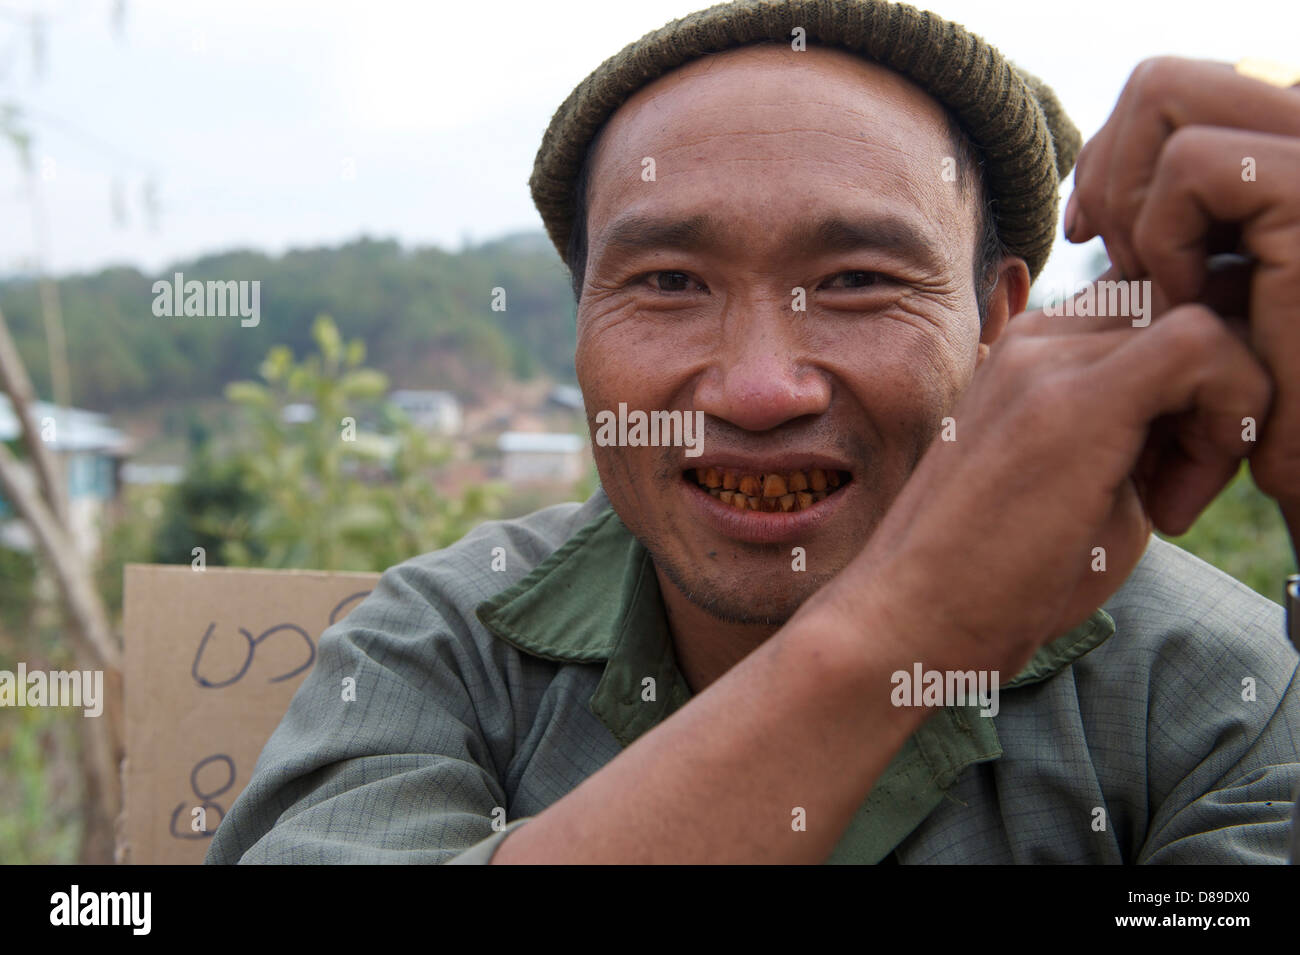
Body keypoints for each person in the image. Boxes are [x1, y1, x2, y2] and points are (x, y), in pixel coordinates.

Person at [205, 0, 1300, 864]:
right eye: (670, 281)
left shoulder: (1214, 697)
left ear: (997, 326)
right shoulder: (442, 645)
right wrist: (902, 631)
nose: (761, 387)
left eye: (859, 281)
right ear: (580, 323)